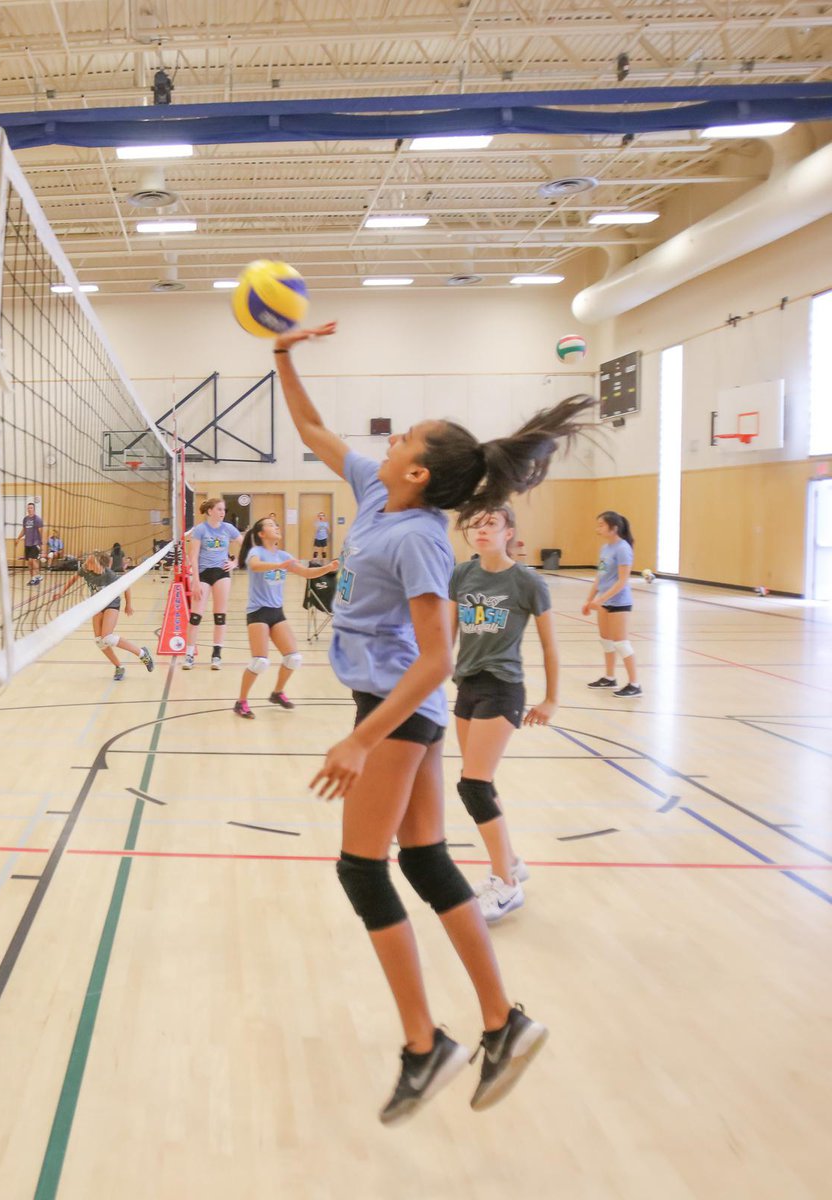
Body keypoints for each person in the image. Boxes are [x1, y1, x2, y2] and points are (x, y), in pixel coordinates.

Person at [274, 319, 592, 1121]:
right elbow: (310, 427)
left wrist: (359, 738)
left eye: (403, 437)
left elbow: (436, 661)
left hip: (395, 709)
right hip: (389, 708)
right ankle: (501, 1022)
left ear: (417, 470)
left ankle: (426, 1045)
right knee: (422, 861)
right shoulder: (380, 492)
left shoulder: (417, 539)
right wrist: (281, 354)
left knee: (360, 868)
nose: (387, 438)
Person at [451, 507, 559, 923]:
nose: (481, 530)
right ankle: (510, 862)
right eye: (476, 524)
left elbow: (550, 645)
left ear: (508, 532)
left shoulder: (527, 582)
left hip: (503, 687)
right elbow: (448, 635)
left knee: (473, 787)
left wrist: (551, 699)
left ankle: (506, 885)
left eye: (491, 524)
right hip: (467, 685)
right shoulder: (461, 575)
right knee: (480, 781)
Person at [233, 517, 339, 718]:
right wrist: (280, 565)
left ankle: (277, 692)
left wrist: (328, 568)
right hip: (258, 612)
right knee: (259, 662)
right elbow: (255, 566)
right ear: (261, 533)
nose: (276, 527)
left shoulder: (284, 555)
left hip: (277, 612)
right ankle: (241, 702)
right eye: (271, 525)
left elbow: (306, 572)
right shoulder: (257, 552)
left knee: (293, 658)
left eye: (277, 525)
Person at [582, 511, 640, 697]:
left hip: (619, 603)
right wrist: (590, 599)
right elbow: (600, 577)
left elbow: (622, 581)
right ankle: (609, 677)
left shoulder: (623, 549)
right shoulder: (605, 548)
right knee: (606, 641)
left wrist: (601, 599)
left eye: (601, 525)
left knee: (621, 643)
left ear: (613, 528)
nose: (597, 528)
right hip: (604, 602)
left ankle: (635, 684)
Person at [183, 498, 243, 670]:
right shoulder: (201, 529)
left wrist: (235, 562)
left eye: (224, 509)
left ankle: (216, 655)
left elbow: (247, 545)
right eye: (219, 509)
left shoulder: (228, 528)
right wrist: (194, 579)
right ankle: (189, 655)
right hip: (203, 573)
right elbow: (193, 555)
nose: (222, 512)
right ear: (210, 511)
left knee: (220, 615)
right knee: (196, 617)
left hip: (221, 573)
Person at [78, 551, 154, 681]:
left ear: (99, 565)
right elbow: (74, 578)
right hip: (97, 605)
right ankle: (119, 667)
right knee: (99, 641)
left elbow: (126, 586)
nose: (87, 563)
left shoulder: (110, 575)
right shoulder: (86, 571)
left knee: (107, 637)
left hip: (112, 604)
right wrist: (61, 592)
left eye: (91, 561)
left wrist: (128, 605)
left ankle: (142, 654)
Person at [15, 502, 44, 586]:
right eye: (28, 508)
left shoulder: (38, 519)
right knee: (29, 562)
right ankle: (33, 578)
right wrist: (18, 538)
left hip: (35, 543)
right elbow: (24, 530)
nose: (29, 509)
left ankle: (38, 576)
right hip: (27, 544)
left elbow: (41, 531)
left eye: (31, 508)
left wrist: (42, 544)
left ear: (34, 509)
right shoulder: (25, 519)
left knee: (33, 560)